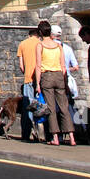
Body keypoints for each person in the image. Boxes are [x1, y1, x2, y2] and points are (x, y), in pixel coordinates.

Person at [35, 18, 76, 146]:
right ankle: (71, 136)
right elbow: (63, 66)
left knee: (51, 108)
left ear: (40, 33)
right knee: (64, 106)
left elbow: (38, 65)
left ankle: (55, 137)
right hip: (59, 76)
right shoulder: (59, 46)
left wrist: (37, 83)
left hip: (47, 76)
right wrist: (65, 81)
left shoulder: (40, 45)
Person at [16, 26, 42, 142]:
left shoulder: (22, 44)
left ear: (29, 35)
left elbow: (21, 66)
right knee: (40, 106)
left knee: (28, 107)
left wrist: (27, 71)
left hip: (28, 79)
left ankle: (26, 134)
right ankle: (41, 132)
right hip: (40, 79)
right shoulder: (41, 43)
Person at [52, 25, 80, 98]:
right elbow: (76, 67)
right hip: (66, 77)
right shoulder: (68, 48)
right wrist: (67, 68)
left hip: (53, 78)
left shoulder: (46, 47)